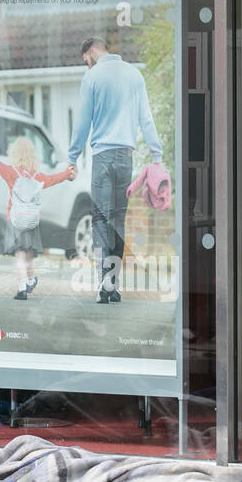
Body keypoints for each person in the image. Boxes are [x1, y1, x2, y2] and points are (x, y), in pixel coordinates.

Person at [67, 36, 164, 303]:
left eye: (86, 60)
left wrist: (72, 156)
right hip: (125, 157)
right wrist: (157, 155)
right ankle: (113, 284)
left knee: (100, 219)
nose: (87, 66)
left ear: (91, 52)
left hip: (102, 156)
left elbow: (83, 121)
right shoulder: (135, 75)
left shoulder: (93, 77)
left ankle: (104, 283)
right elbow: (146, 118)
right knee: (118, 221)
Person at [0, 134, 76, 299]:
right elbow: (53, 179)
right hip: (31, 222)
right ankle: (30, 281)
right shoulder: (38, 176)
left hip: (15, 220)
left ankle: (22, 288)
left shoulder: (10, 172)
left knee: (20, 256)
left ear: (14, 153)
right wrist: (67, 173)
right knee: (29, 255)